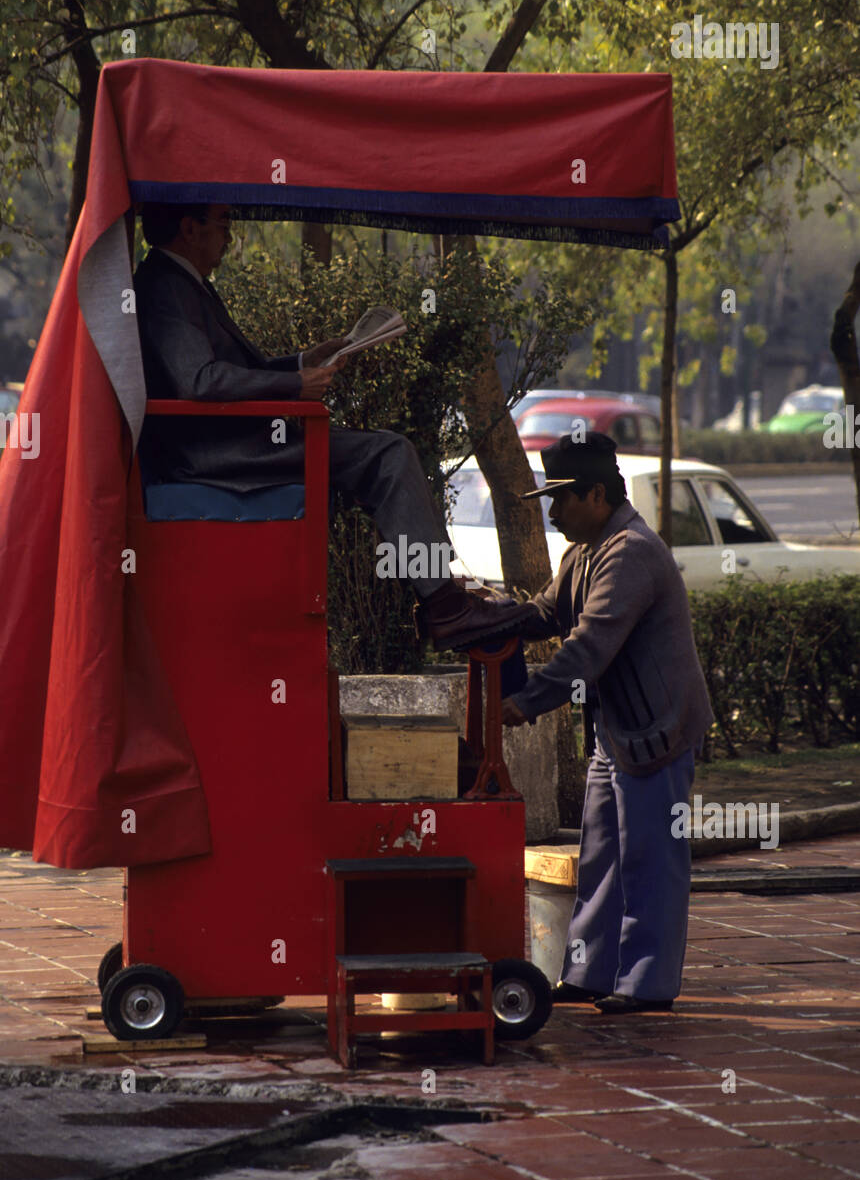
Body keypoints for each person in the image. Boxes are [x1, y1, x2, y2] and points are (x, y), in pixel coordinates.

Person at [133, 201, 533, 650]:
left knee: (382, 456)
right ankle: (445, 606)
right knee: (389, 454)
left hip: (231, 438)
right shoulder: (167, 287)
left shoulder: (184, 285)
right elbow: (201, 380)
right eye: (225, 224)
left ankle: (438, 597)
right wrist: (295, 385)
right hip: (214, 452)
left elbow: (235, 371)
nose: (230, 237)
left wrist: (305, 361)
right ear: (190, 228)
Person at [501, 432, 714, 1014]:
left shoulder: (630, 551)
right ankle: (591, 973)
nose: (552, 512)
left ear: (596, 494)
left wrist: (525, 701)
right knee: (600, 856)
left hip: (657, 733)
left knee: (650, 860)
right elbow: (545, 613)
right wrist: (485, 615)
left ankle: (647, 985)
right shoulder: (585, 551)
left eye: (560, 499)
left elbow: (588, 646)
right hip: (614, 733)